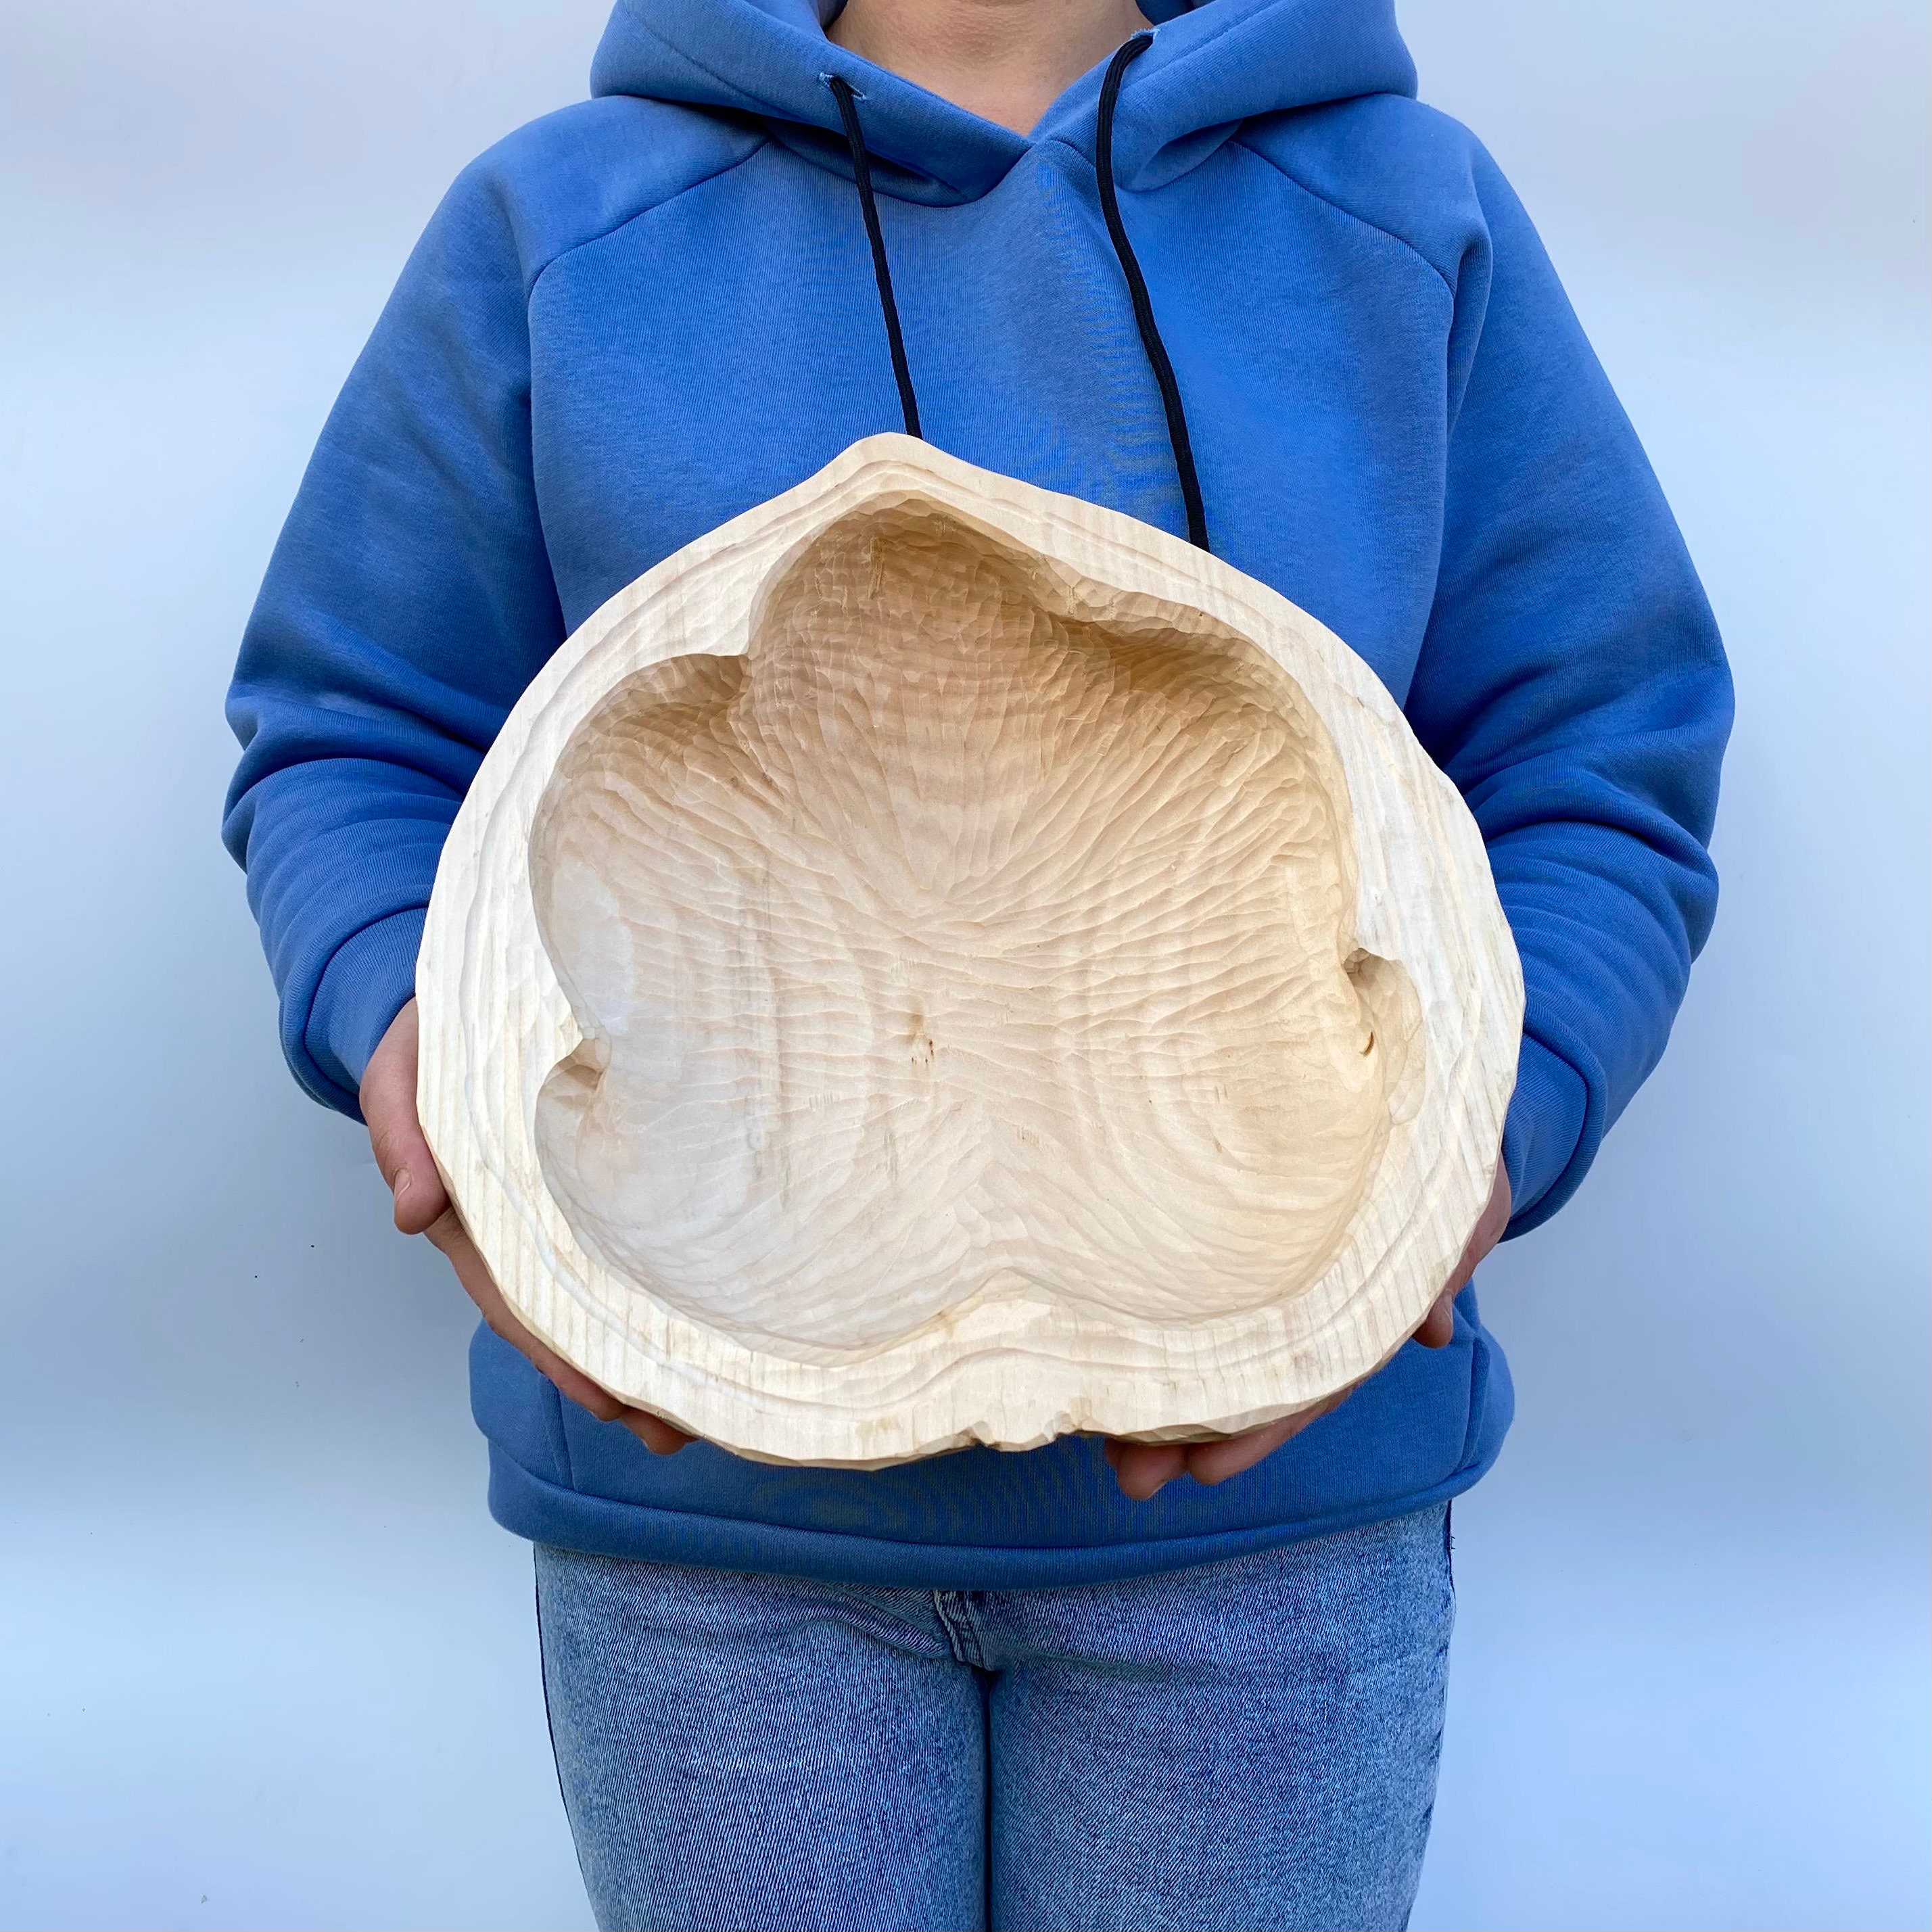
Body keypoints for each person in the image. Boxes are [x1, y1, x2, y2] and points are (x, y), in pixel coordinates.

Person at [222, 0, 1732, 1925]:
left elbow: (1600, 747)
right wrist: (415, 1047)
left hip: (1265, 1529)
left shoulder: (1393, 210)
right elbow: (353, 728)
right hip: (713, 1533)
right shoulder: (563, 224)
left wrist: (1475, 1145)